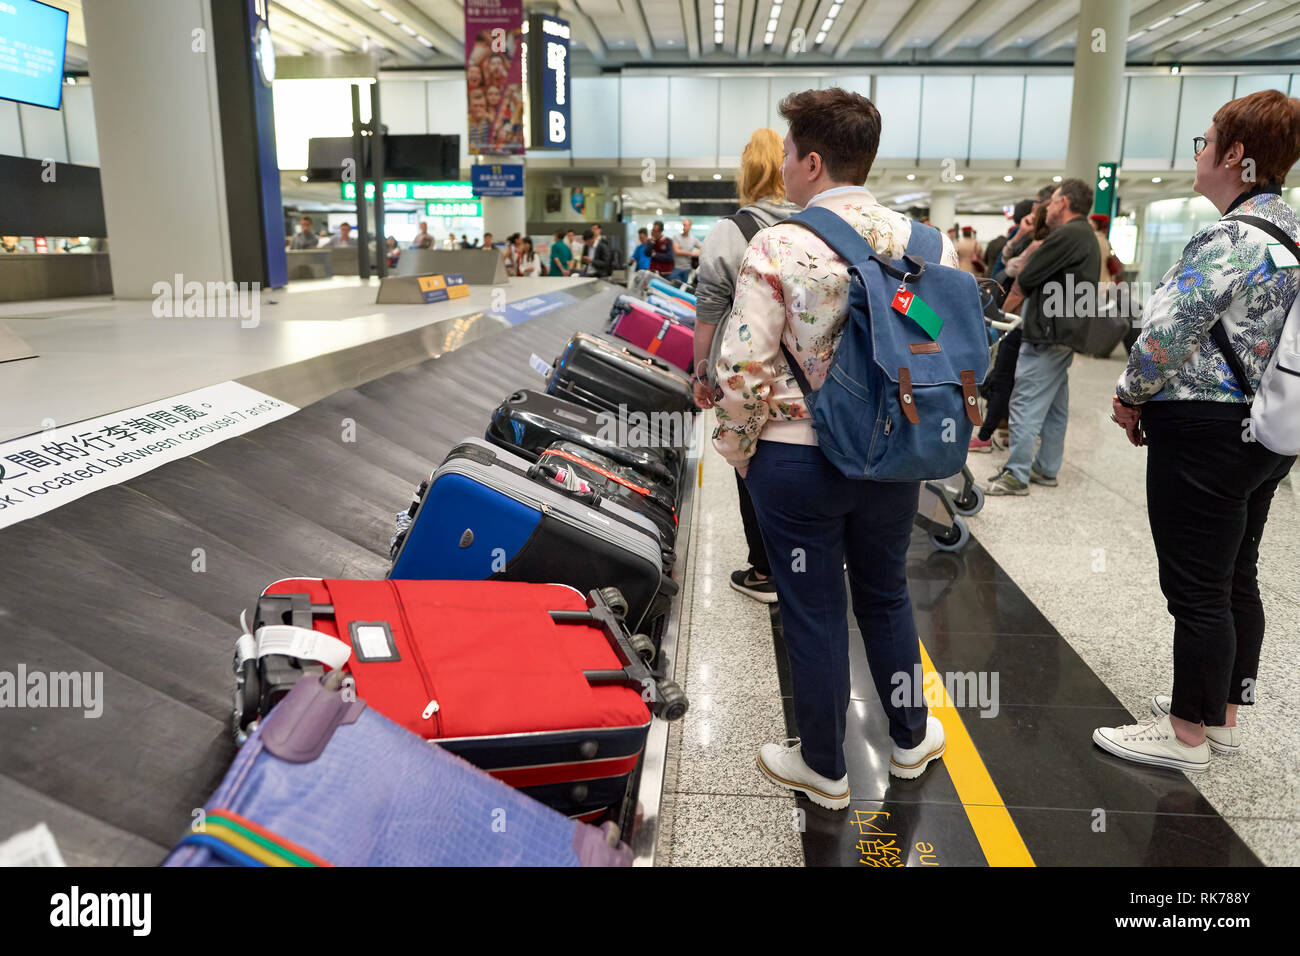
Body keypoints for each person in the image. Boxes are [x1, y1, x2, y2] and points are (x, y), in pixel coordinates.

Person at [714, 87, 958, 810]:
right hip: (893, 458)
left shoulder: (778, 243)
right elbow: (935, 345)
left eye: (789, 153)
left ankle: (823, 766)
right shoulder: (924, 243)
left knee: (814, 606)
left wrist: (740, 451)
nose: (784, 166)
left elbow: (741, 369)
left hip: (797, 459)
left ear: (812, 161)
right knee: (885, 593)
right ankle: (912, 738)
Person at [1096, 90, 1300, 771]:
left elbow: (1166, 332)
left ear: (1236, 155)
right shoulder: (1293, 231)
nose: (1200, 152)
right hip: (1270, 425)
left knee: (1196, 587)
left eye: (1205, 141)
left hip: (1206, 426)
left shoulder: (1230, 237)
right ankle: (1222, 713)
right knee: (1237, 571)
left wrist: (1129, 396)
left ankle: (1186, 733)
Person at [692, 127, 801, 603]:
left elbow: (708, 313)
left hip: (750, 379)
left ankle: (767, 572)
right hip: (816, 384)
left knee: (750, 464)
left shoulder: (728, 233)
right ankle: (810, 560)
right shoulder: (819, 226)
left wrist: (700, 371)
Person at [986, 178, 1099, 496]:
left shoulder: (1067, 234)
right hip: (1064, 332)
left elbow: (1029, 274)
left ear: (1063, 203)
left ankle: (1016, 474)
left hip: (1048, 333)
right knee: (1054, 407)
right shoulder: (1083, 234)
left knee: (1024, 402)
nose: (1046, 208)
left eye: (1051, 202)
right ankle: (1046, 468)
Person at [670, 219, 700, 283]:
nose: (684, 227)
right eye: (683, 225)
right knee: (675, 288)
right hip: (676, 268)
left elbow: (703, 248)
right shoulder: (676, 237)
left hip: (687, 269)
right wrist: (693, 254)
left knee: (684, 288)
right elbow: (677, 251)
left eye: (686, 225)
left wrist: (698, 252)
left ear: (690, 226)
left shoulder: (693, 239)